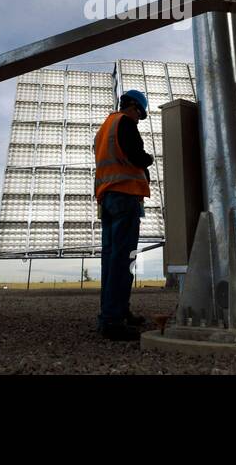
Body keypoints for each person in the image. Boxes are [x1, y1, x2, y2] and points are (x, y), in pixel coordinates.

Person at [94, 89, 154, 340]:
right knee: (123, 259)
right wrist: (148, 159)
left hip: (107, 198)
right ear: (135, 108)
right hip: (125, 197)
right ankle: (113, 321)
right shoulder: (126, 122)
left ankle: (113, 312)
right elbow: (136, 157)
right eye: (140, 114)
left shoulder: (104, 128)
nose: (139, 119)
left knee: (111, 259)